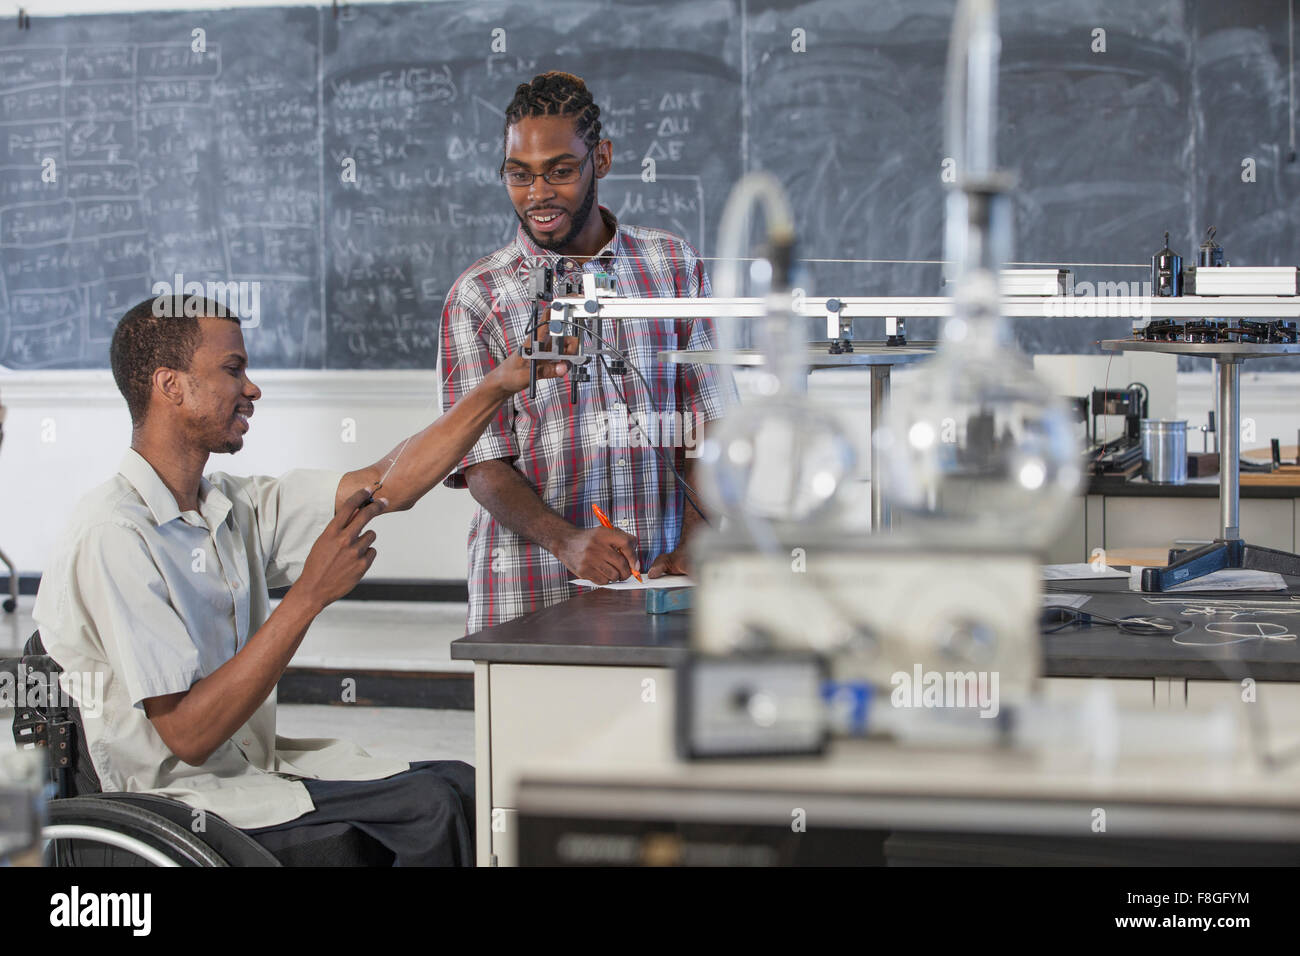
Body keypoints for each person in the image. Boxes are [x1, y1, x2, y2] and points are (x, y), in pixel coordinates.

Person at [33, 295, 569, 866]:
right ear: (171, 386)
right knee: (428, 811)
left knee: (465, 785)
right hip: (174, 804)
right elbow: (188, 736)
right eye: (233, 370)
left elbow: (386, 484)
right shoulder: (114, 533)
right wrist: (309, 596)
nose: (252, 388)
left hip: (247, 773)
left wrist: (497, 385)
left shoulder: (230, 506)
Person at [441, 71, 735, 632]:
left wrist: (699, 534)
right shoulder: (478, 295)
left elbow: (708, 417)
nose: (538, 194)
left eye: (561, 171)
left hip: (660, 575)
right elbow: (480, 460)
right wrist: (568, 541)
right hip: (526, 586)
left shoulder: (673, 265)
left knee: (654, 719)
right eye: (518, 175)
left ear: (600, 158)